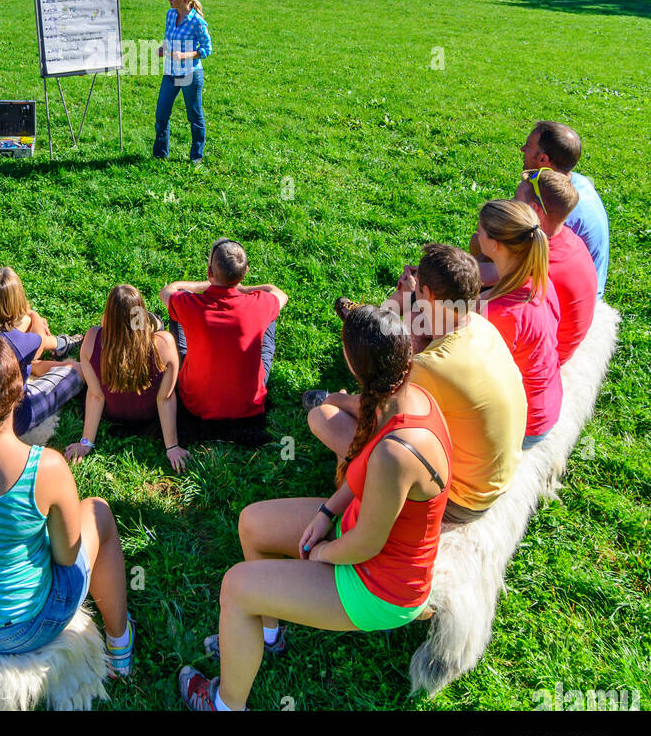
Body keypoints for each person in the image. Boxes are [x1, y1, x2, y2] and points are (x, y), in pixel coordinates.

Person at [178, 299, 451, 712]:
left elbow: (367, 545)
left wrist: (320, 553)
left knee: (235, 587)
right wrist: (326, 513)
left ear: (355, 364)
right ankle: (266, 635)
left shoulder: (398, 451)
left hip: (379, 586)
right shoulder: (405, 397)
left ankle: (224, 704)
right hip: (356, 533)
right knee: (251, 524)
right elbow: (363, 473)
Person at [0, 334, 133, 669]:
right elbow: (66, 556)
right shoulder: (44, 468)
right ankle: (120, 646)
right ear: (18, 395)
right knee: (99, 511)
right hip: (19, 627)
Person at [313, 244, 524, 525]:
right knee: (415, 323)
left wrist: (336, 399)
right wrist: (409, 305)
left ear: (428, 293)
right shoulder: (481, 326)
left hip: (457, 501)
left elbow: (376, 414)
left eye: (419, 288)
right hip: (492, 481)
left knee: (324, 419)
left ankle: (353, 493)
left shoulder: (430, 368)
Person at [160, 239, 287, 430]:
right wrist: (242, 289)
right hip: (247, 404)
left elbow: (169, 290)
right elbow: (279, 293)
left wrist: (208, 284)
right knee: (270, 317)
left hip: (196, 402)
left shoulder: (190, 305)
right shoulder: (259, 304)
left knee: (176, 311)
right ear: (245, 272)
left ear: (210, 272)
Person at [65, 284, 188, 470]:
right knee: (160, 325)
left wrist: (86, 443)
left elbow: (96, 396)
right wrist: (172, 446)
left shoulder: (91, 339)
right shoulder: (164, 343)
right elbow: (165, 397)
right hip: (151, 417)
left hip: (112, 414)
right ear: (141, 311)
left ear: (108, 314)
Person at [475, 200, 562, 448]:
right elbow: (488, 278)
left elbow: (472, 376)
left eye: (480, 231)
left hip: (524, 426)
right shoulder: (538, 279)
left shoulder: (500, 315)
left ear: (495, 245)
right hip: (547, 404)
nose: (475, 235)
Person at [0, 268, 83, 436]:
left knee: (25, 360)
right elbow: (38, 341)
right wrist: (33, 315)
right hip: (13, 420)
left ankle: (60, 347)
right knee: (78, 371)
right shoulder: (25, 343)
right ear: (18, 301)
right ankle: (64, 346)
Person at [515, 170, 597, 365]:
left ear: (534, 209)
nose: (509, 204)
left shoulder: (538, 261)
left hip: (546, 357)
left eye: (515, 200)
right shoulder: (569, 238)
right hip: (564, 342)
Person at [521, 120, 609, 300]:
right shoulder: (577, 182)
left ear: (543, 159)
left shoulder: (557, 211)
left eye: (528, 146)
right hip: (577, 286)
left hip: (569, 299)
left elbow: (526, 265)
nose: (523, 149)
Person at [153, 0, 212, 163]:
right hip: (170, 72)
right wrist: (163, 48)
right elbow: (168, 37)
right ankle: (160, 155)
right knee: (161, 114)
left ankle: (196, 156)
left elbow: (207, 49)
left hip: (190, 74)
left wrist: (186, 55)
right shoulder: (170, 15)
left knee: (194, 116)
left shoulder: (197, 22)